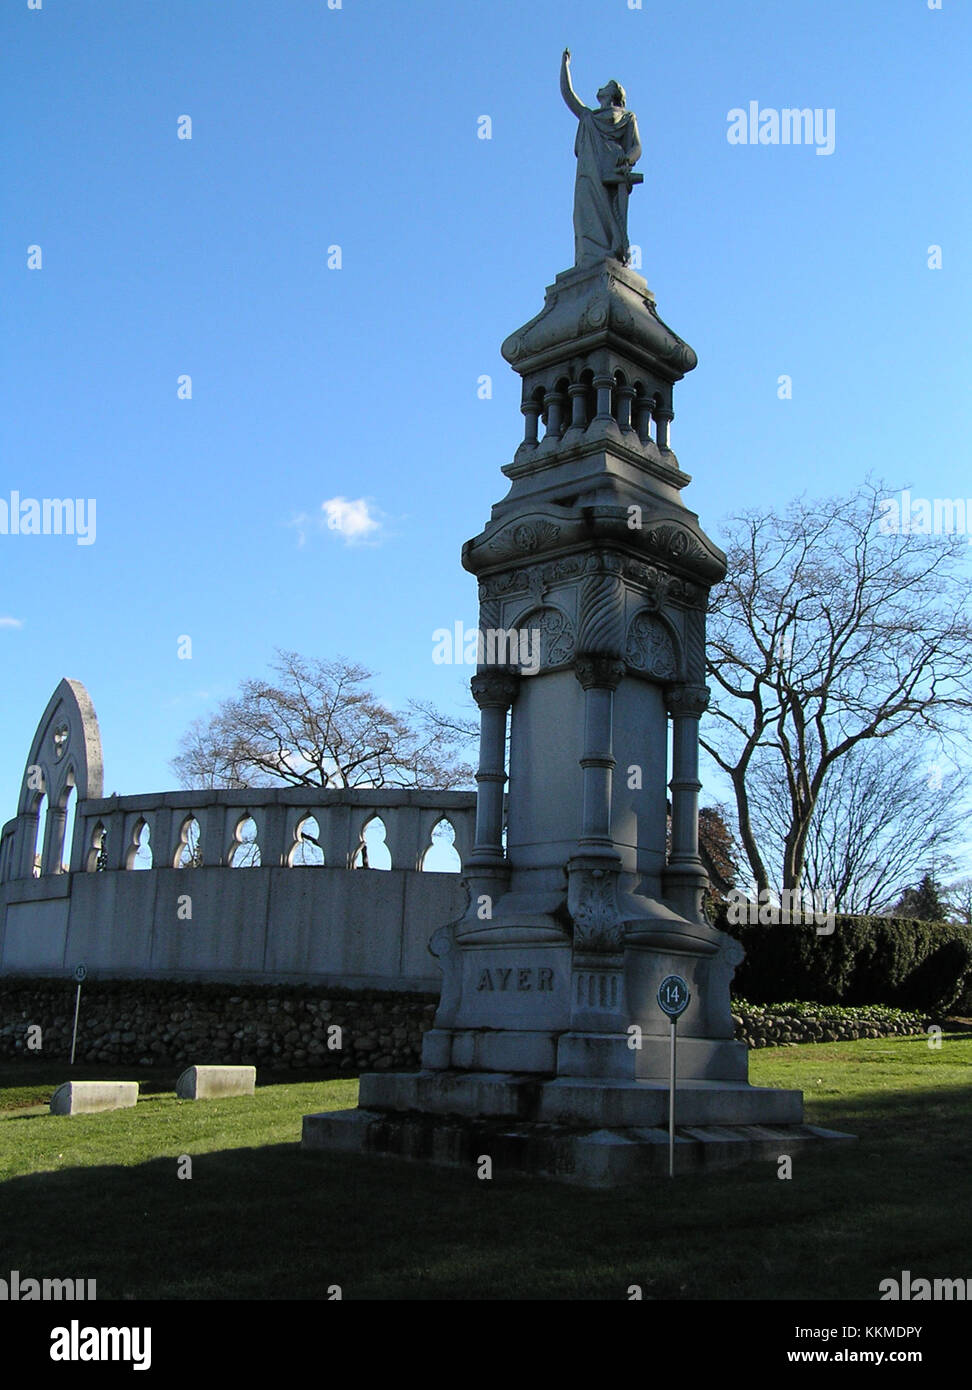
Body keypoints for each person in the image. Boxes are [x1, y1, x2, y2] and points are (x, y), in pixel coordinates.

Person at [560, 48, 643, 267]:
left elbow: (636, 147)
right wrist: (565, 66)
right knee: (584, 213)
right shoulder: (589, 116)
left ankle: (612, 252)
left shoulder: (627, 117)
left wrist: (626, 160)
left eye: (607, 85)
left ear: (613, 93)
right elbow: (568, 95)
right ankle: (588, 256)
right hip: (589, 170)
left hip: (611, 169)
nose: (601, 87)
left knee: (610, 213)